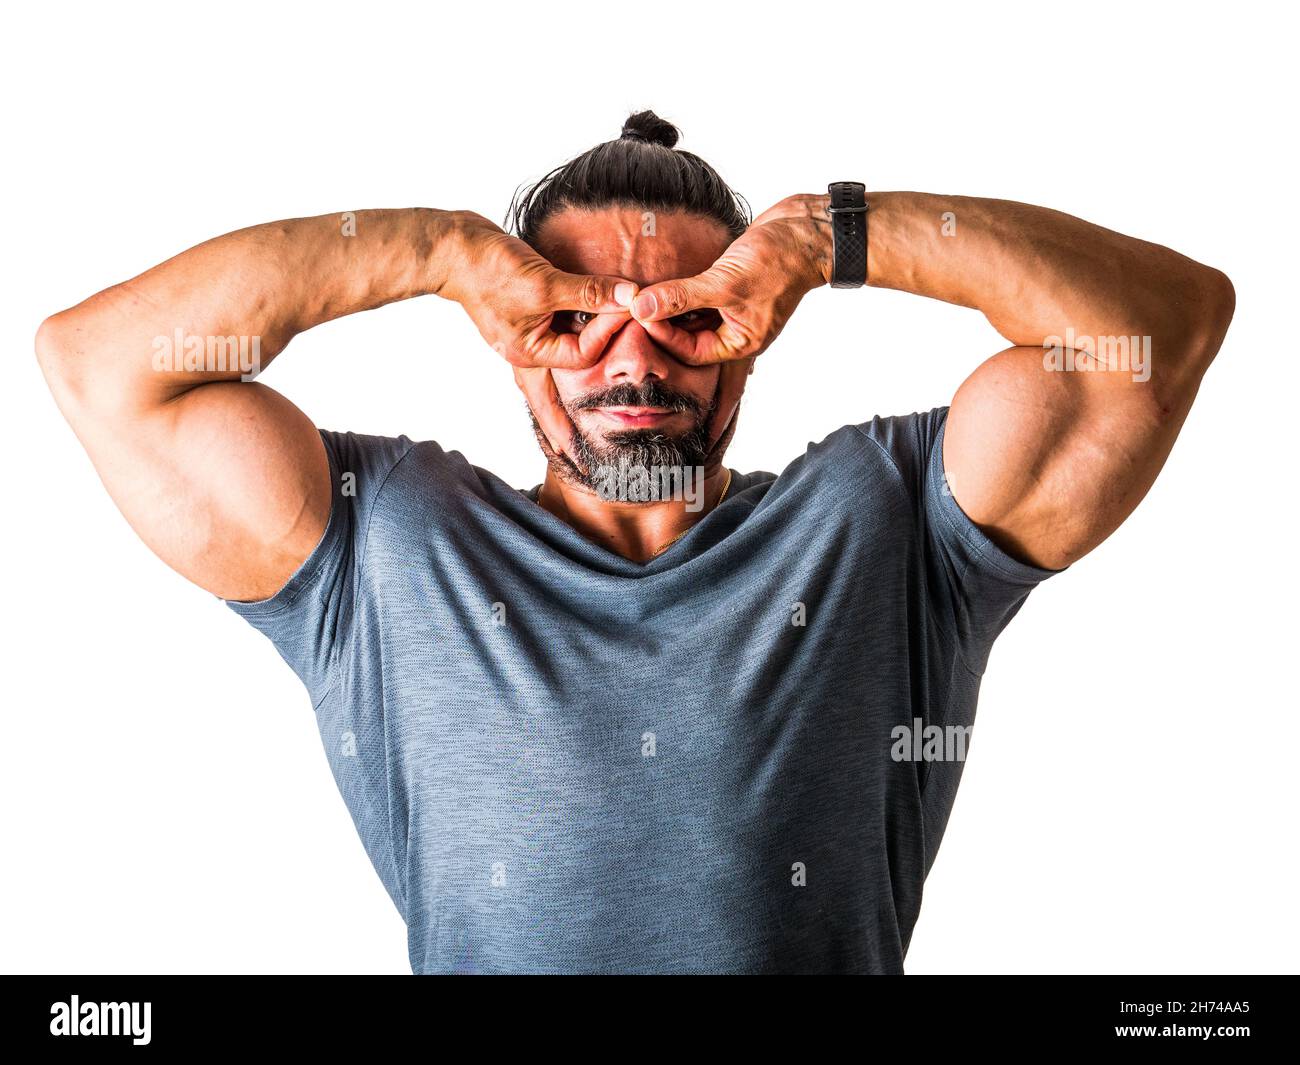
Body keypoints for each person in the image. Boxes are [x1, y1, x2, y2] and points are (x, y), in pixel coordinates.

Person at [34, 110, 1234, 973]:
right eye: (571, 315)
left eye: (687, 316)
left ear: (749, 329)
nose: (632, 359)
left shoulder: (888, 517)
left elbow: (1163, 332)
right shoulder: (385, 537)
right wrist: (438, 252)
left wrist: (824, 239)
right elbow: (97, 366)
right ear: (513, 335)